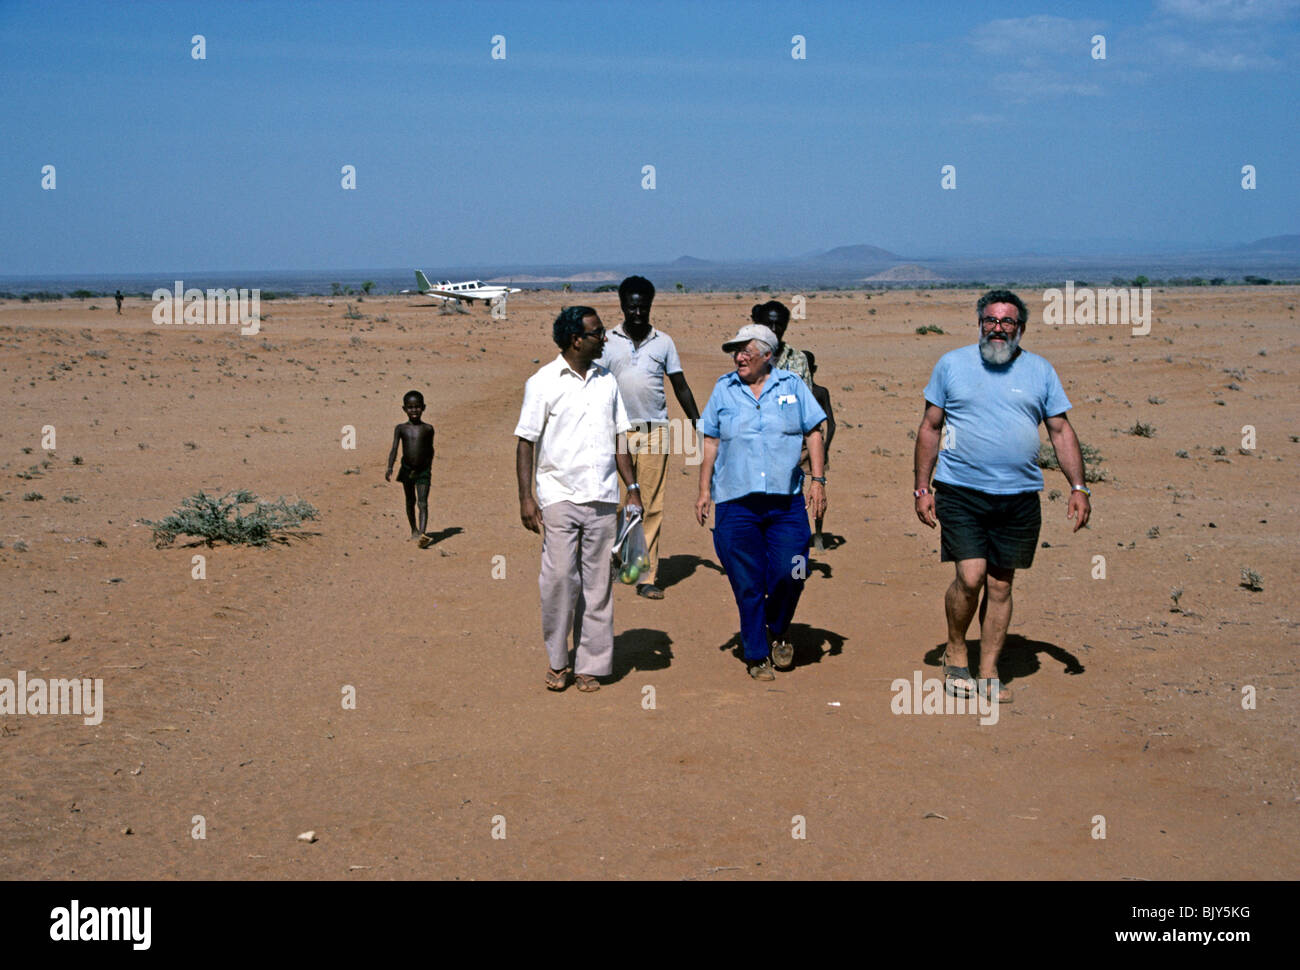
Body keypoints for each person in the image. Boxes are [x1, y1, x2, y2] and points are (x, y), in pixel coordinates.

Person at [913, 289, 1092, 705]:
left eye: (1007, 322)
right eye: (990, 320)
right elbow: (930, 427)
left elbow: (1060, 431)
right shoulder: (952, 365)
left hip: (1018, 497)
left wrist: (1079, 486)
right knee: (970, 576)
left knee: (1000, 585)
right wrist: (923, 487)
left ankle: (988, 669)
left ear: (1020, 328)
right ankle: (956, 652)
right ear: (979, 323)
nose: (998, 328)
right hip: (961, 491)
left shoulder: (1040, 371)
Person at [515, 306, 643, 693]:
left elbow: (621, 438)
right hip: (558, 496)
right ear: (576, 339)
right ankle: (558, 660)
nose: (604, 338)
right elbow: (526, 442)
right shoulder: (543, 382)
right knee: (557, 582)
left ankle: (590, 664)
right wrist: (526, 498)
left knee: (598, 586)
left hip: (603, 498)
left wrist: (632, 488)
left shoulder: (608, 382)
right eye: (597, 333)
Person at [695, 323, 826, 681]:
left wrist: (818, 480)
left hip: (786, 503)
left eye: (746, 350)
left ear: (767, 355)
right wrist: (704, 489)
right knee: (747, 581)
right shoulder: (724, 389)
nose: (739, 357)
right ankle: (757, 652)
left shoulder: (792, 386)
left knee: (793, 570)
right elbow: (710, 441)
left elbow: (814, 430)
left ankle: (779, 626)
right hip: (736, 503)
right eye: (736, 351)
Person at [595, 275, 701, 599]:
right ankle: (613, 564)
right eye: (632, 306)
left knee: (651, 505)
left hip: (654, 431)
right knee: (614, 501)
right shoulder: (607, 342)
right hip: (615, 432)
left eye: (643, 306)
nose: (638, 312)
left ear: (651, 305)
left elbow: (679, 385)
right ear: (623, 306)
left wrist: (698, 423)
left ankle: (644, 575)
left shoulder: (663, 342)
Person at [385, 390, 435, 545]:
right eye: (410, 407)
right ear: (404, 409)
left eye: (417, 407)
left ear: (424, 407)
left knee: (423, 502)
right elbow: (394, 448)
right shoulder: (401, 428)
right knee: (410, 501)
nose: (414, 410)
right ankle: (413, 529)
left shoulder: (428, 429)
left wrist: (427, 466)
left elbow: (430, 449)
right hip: (407, 469)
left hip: (423, 470)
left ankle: (422, 534)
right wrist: (390, 467)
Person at [803, 351, 836, 551]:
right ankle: (806, 534)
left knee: (818, 489)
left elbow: (831, 423)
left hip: (814, 445)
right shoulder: (793, 392)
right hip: (795, 445)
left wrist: (825, 448)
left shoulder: (819, 392)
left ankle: (818, 535)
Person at [753, 300, 812, 390]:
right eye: (768, 324)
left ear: (785, 326)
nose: (773, 329)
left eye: (778, 324)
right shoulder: (748, 356)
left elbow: (806, 398)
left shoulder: (798, 358)